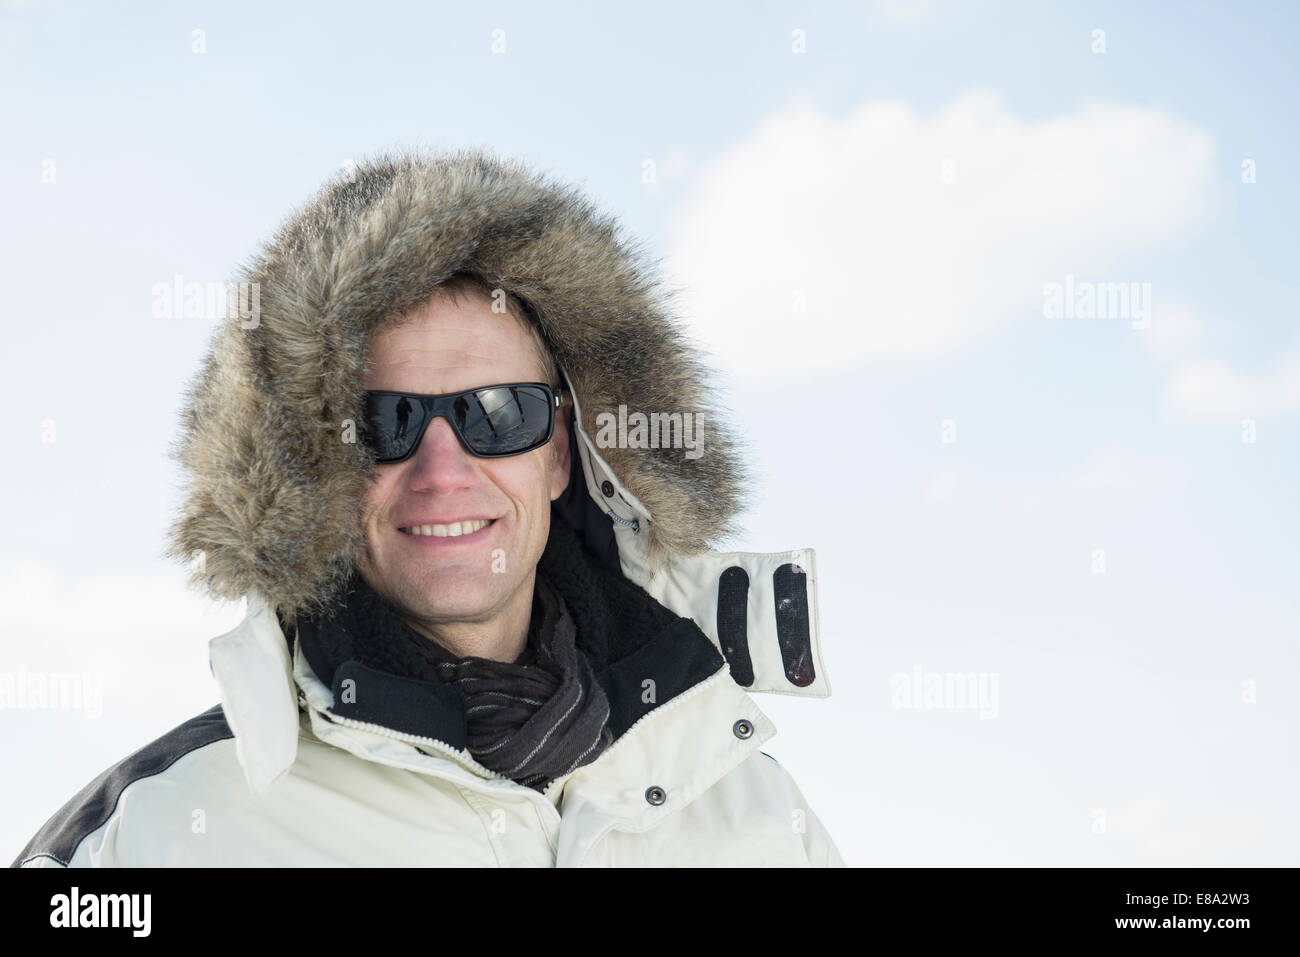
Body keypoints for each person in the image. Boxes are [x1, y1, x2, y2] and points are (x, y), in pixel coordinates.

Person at [13, 148, 843, 867]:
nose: (441, 471)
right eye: (386, 422)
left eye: (497, 414)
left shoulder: (755, 809)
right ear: (320, 470)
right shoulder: (156, 832)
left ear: (558, 451)